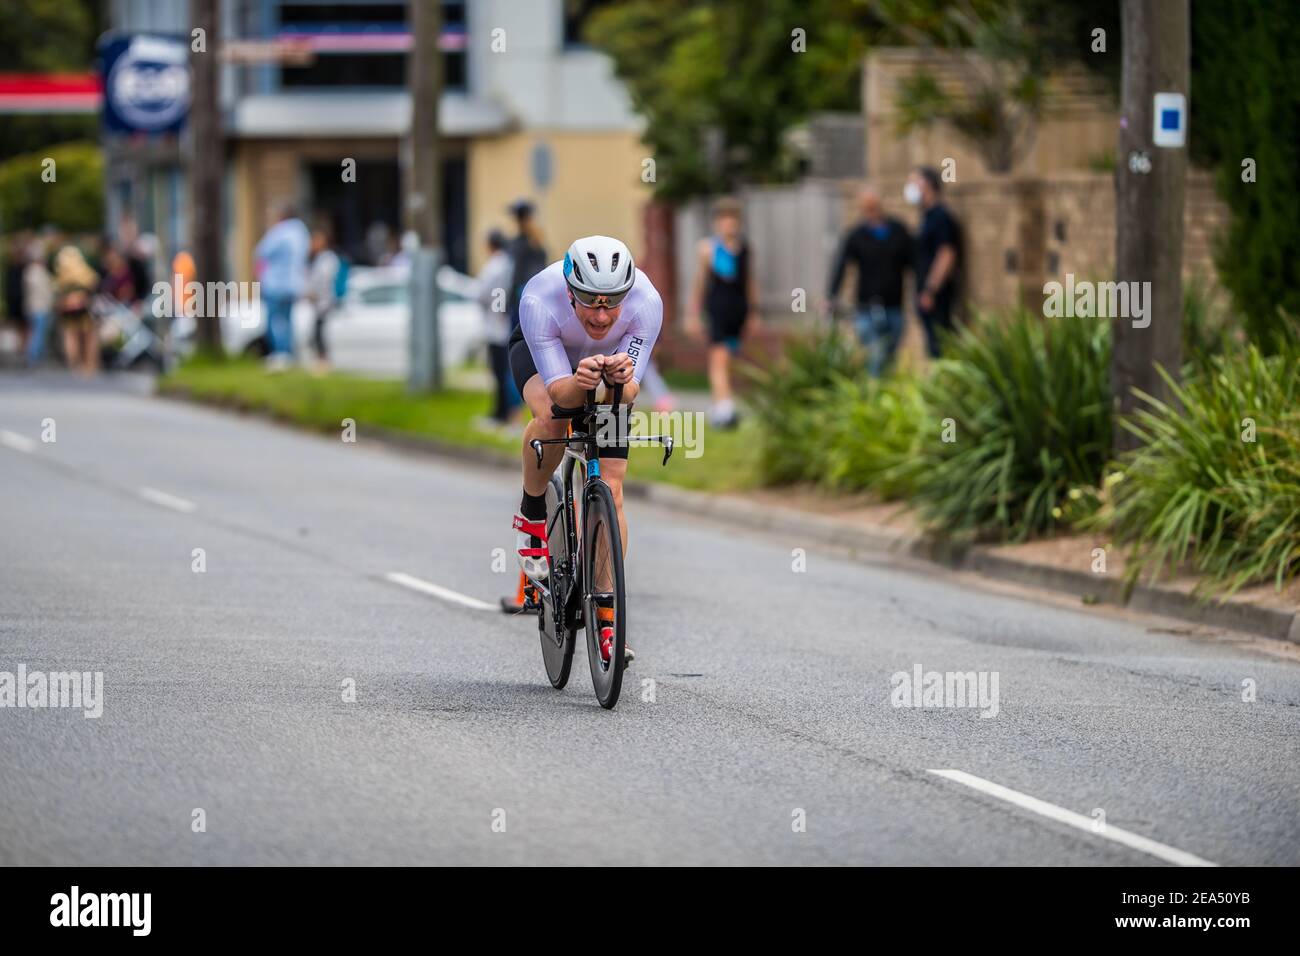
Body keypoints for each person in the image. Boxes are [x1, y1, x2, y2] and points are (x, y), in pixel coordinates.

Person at [509, 236, 662, 665]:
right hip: (551, 360)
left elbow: (629, 392)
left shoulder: (647, 303)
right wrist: (581, 382)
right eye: (590, 303)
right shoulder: (541, 299)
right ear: (569, 289)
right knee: (554, 420)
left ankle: (608, 616)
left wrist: (617, 378)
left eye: (612, 303)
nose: (601, 315)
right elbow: (560, 393)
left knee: (611, 489)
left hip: (609, 368)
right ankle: (533, 511)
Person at [686, 197, 759, 429]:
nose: (729, 224)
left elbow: (749, 282)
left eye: (733, 219)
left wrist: (753, 311)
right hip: (716, 309)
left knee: (729, 359)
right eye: (724, 219)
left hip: (737, 311)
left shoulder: (745, 249)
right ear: (717, 222)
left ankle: (720, 404)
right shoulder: (708, 249)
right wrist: (694, 314)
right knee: (718, 357)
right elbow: (700, 283)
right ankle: (725, 407)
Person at [825, 187, 913, 377]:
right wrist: (831, 296)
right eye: (867, 207)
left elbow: (913, 262)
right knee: (874, 357)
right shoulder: (856, 235)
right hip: (866, 307)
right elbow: (841, 266)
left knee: (890, 358)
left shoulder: (898, 231)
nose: (871, 210)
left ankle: (885, 398)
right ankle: (873, 399)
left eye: (874, 206)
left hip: (894, 306)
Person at [906, 167, 960, 358]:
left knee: (940, 345)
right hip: (926, 292)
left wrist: (930, 290)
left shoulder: (941, 217)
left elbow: (946, 254)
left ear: (927, 185)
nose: (910, 188)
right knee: (932, 345)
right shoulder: (927, 216)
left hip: (937, 295)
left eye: (914, 182)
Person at [254, 204, 310, 368]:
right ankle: (289, 354)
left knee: (275, 321)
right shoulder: (302, 232)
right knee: (287, 320)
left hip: (275, 284)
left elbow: (261, 251)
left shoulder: (280, 232)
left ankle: (280, 355)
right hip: (294, 284)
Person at [475, 228, 517, 426]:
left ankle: (501, 413)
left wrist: (498, 311)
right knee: (501, 374)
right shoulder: (506, 263)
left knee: (499, 373)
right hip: (501, 324)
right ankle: (501, 411)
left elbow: (487, 293)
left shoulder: (496, 266)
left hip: (496, 328)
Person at [53, 245, 99, 377]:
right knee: (89, 337)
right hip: (85, 309)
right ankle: (90, 364)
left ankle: (74, 365)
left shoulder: (61, 276)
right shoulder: (86, 273)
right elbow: (94, 288)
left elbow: (57, 294)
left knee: (70, 335)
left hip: (68, 311)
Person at [505, 199, 547, 332]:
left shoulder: (517, 245)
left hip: (520, 298)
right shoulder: (538, 242)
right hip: (539, 298)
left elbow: (513, 276)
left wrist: (503, 305)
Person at [305, 224, 341, 368]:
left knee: (320, 333)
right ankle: (321, 361)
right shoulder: (318, 259)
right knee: (316, 333)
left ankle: (323, 362)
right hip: (319, 304)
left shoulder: (327, 259)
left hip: (324, 302)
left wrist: (314, 293)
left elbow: (323, 280)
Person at [22, 240, 53, 366]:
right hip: (39, 306)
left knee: (36, 332)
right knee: (37, 334)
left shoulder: (31, 271)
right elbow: (45, 290)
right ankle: (33, 357)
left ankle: (35, 356)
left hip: (36, 306)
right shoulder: (35, 271)